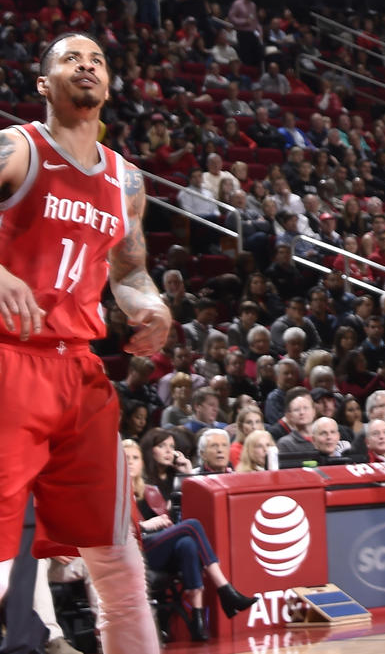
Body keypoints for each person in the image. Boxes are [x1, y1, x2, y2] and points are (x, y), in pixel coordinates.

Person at [0, 33, 173, 654]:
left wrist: (149, 306)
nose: (87, 66)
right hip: (9, 361)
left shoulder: (126, 179)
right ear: (44, 84)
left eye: (97, 59)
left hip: (79, 370)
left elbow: (128, 273)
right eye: (71, 59)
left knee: (115, 547)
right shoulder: (18, 148)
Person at [123, 439, 254, 642]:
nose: (131, 462)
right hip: (133, 551)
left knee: (188, 544)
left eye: (135, 458)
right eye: (126, 458)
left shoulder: (150, 491)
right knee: (192, 526)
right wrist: (145, 526)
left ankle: (197, 619)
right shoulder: (114, 493)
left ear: (141, 462)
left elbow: (169, 523)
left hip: (156, 547)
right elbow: (116, 532)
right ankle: (225, 589)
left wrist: (165, 518)